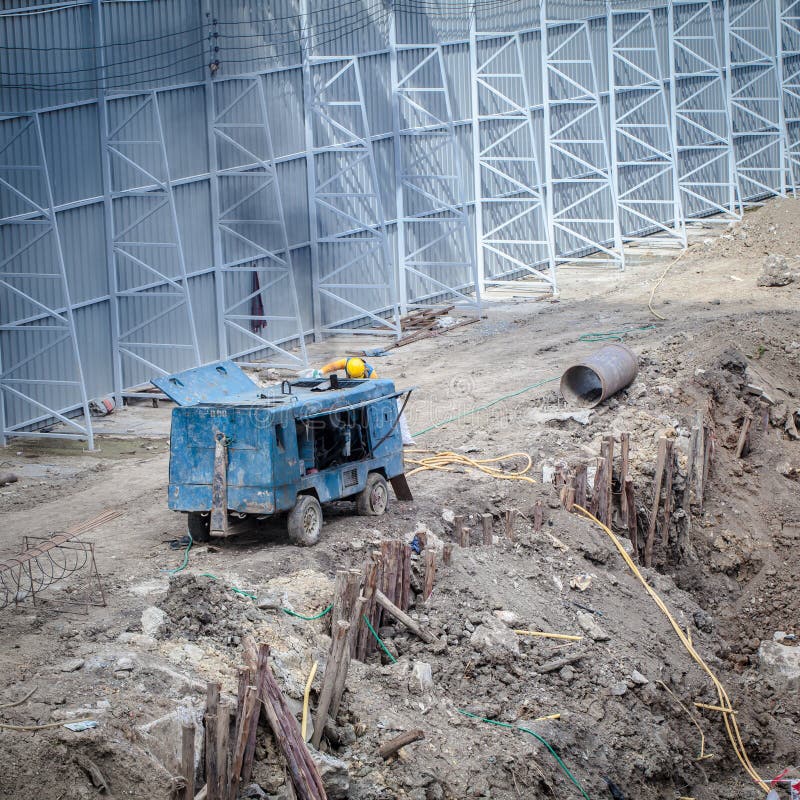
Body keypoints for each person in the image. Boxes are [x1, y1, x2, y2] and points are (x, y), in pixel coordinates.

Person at [301, 356, 414, 445]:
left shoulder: (372, 375)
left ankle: (400, 439)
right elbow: (333, 366)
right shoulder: (348, 363)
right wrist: (320, 372)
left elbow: (373, 394)